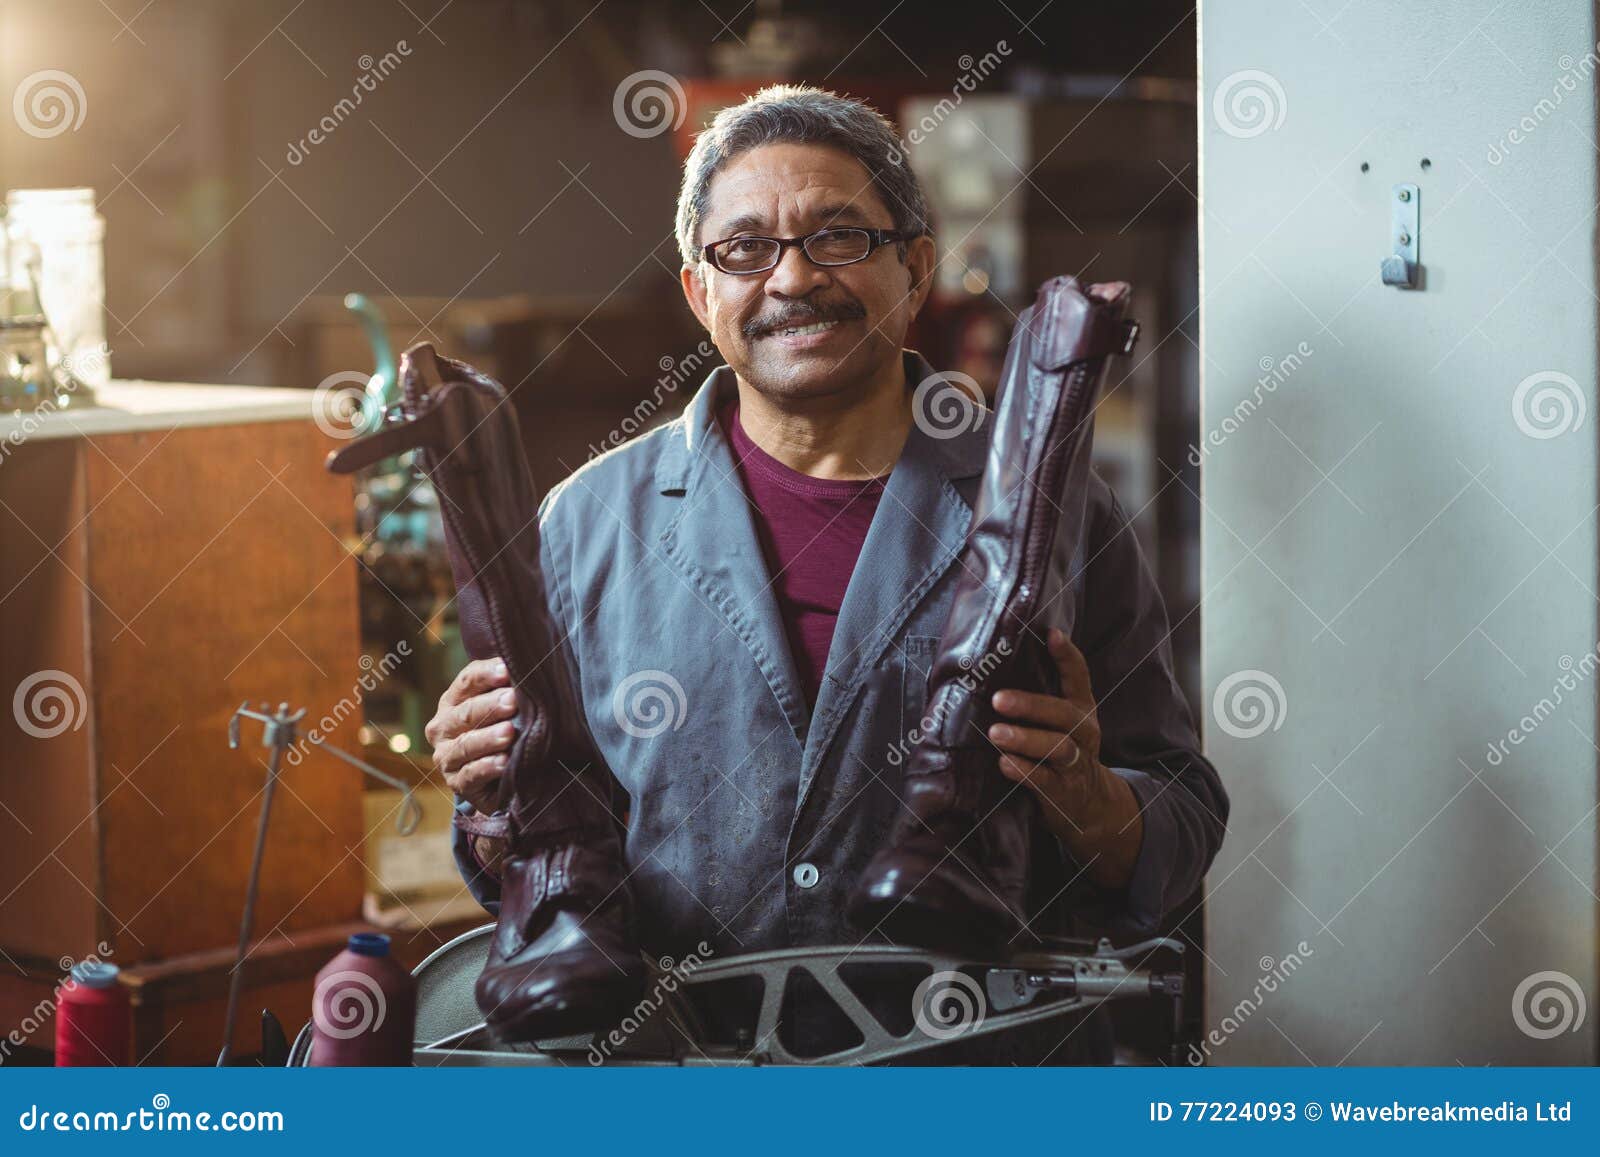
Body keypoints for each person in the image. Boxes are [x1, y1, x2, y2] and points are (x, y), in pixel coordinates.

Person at [425, 84, 1228, 1064]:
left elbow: (1182, 819)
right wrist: (489, 795)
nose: (793, 278)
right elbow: (528, 873)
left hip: (967, 1076)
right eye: (745, 248)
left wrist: (1091, 796)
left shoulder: (1063, 515)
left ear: (916, 266)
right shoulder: (586, 523)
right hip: (675, 1073)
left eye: (839, 236)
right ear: (699, 292)